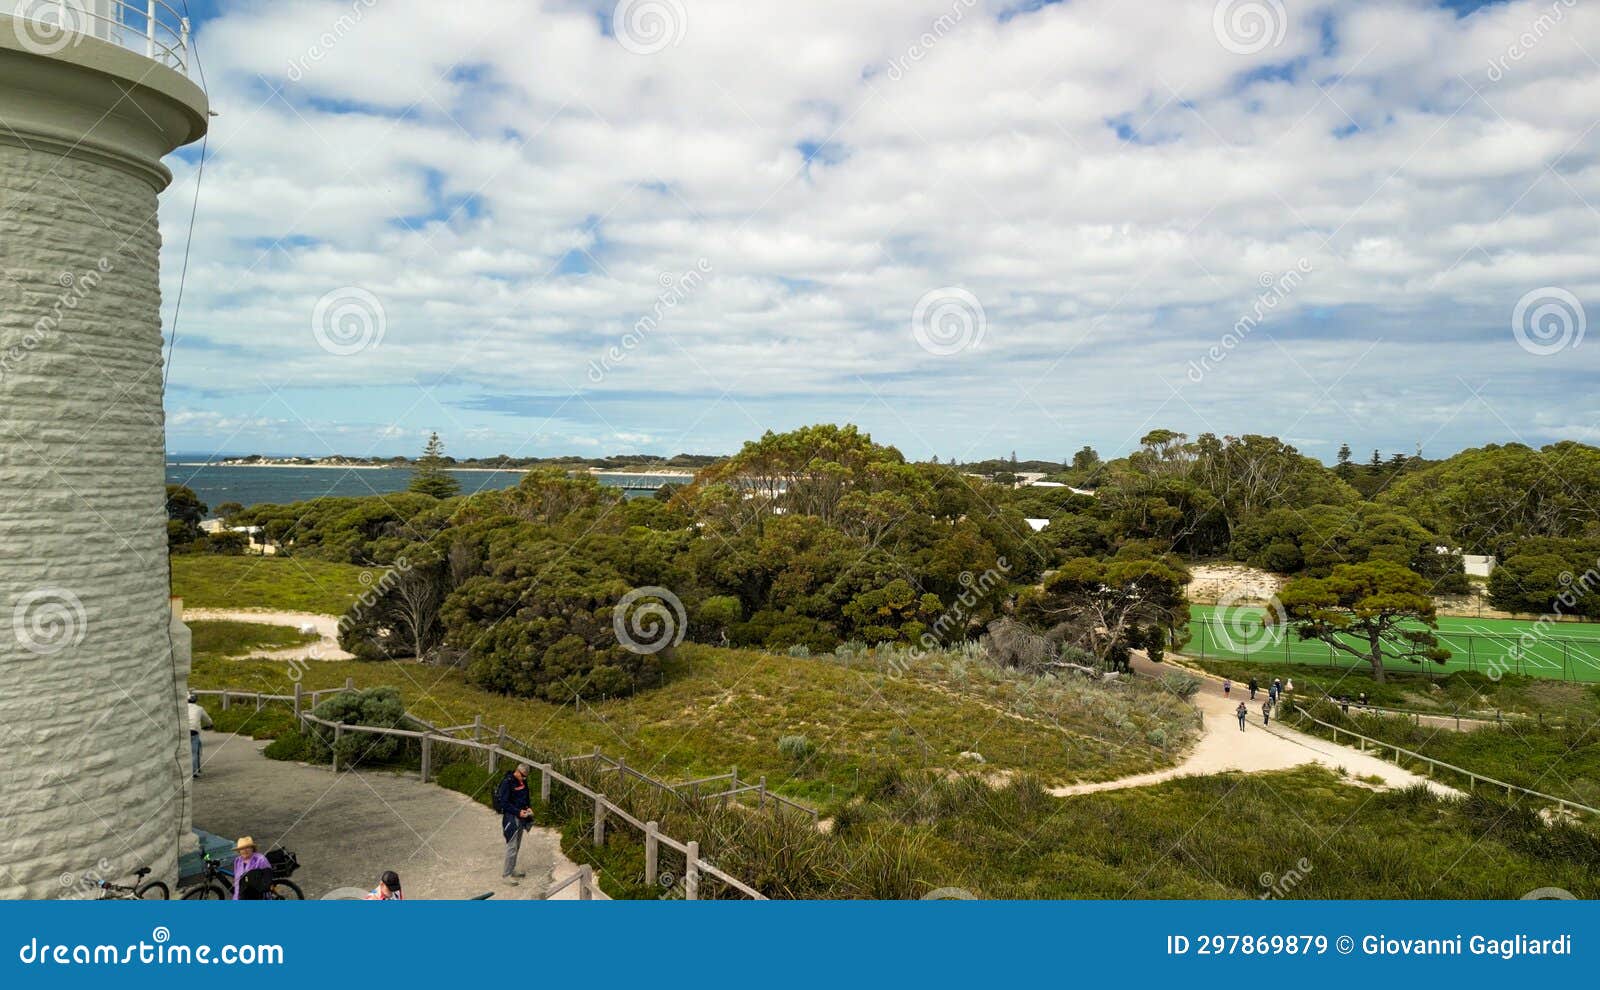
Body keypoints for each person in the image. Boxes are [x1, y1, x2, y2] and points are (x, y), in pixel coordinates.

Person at [495, 763, 534, 883]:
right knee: (511, 846)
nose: (524, 779)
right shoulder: (507, 782)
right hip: (511, 818)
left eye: (525, 777)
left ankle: (512, 869)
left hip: (522, 817)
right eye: (523, 776)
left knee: (517, 845)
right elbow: (504, 803)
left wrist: (528, 808)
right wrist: (517, 812)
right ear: (517, 772)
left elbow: (526, 797)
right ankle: (506, 875)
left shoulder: (523, 781)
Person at [187, 693, 213, 778]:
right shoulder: (199, 708)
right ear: (196, 700)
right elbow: (207, 719)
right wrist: (210, 724)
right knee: (194, 752)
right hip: (194, 731)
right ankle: (194, 772)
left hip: (185, 731)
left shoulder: (185, 707)